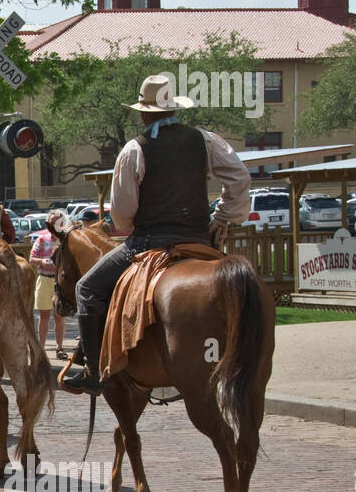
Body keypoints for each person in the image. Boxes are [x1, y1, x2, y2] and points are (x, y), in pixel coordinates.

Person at [62, 74, 251, 393]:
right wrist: (222, 217)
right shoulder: (205, 140)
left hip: (148, 242)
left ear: (142, 112)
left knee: (87, 288)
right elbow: (240, 178)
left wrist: (135, 223)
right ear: (173, 108)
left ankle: (94, 370)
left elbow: (122, 214)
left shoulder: (134, 149)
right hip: (199, 240)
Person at [28, 223, 67, 360]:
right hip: (44, 279)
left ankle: (59, 347)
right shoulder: (42, 239)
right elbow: (31, 258)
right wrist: (41, 261)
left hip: (60, 281)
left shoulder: (65, 239)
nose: (55, 225)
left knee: (59, 316)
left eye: (58, 221)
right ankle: (41, 348)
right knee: (43, 316)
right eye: (52, 221)